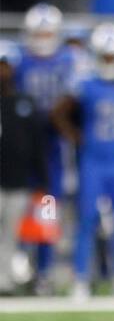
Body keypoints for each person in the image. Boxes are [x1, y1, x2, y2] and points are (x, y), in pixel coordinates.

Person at [53, 23, 114, 299]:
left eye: (113, 55)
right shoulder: (83, 84)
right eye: (105, 55)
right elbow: (59, 114)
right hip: (93, 161)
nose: (109, 60)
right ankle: (81, 277)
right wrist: (77, 137)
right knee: (86, 220)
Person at [15, 4, 77, 293]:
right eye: (37, 33)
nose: (42, 38)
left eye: (47, 32)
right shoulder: (19, 63)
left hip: (54, 145)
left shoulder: (69, 61)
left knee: (49, 208)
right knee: (19, 207)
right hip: (21, 145)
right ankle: (19, 266)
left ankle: (45, 269)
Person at [0, 47, 46, 295]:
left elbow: (36, 143)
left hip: (18, 180)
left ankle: (4, 282)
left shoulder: (24, 102)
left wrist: (42, 177)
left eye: (5, 65)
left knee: (10, 234)